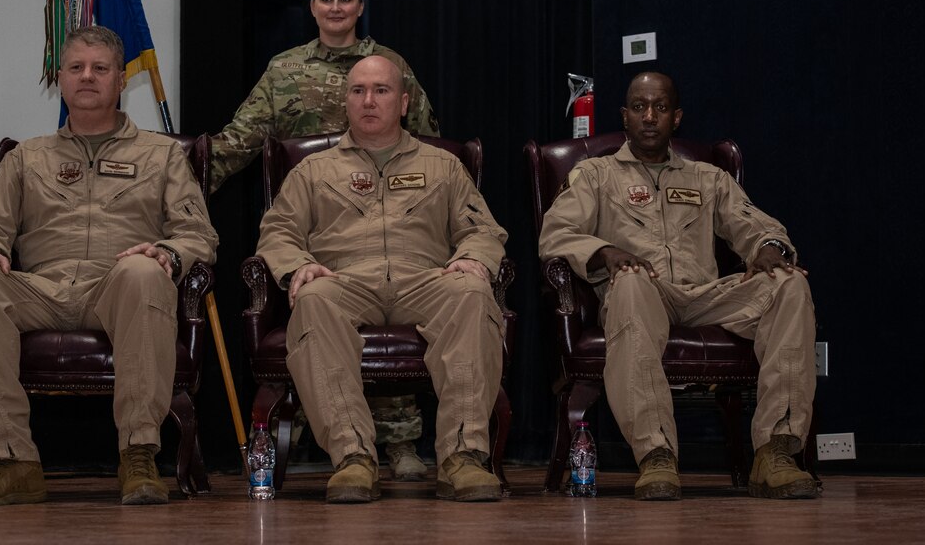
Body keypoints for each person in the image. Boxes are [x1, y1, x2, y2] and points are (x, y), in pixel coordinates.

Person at [0, 25, 219, 506]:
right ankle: (11, 461)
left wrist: (168, 254)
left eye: (100, 69)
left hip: (118, 286)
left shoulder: (163, 156)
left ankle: (138, 457)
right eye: (76, 68)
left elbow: (199, 235)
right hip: (41, 290)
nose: (87, 77)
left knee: (144, 270)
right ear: (60, 79)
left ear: (119, 80)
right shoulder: (27, 158)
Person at [539, 71, 818, 501]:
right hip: (642, 292)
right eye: (639, 107)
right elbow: (556, 233)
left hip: (704, 296)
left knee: (789, 285)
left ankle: (776, 452)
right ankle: (656, 456)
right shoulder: (595, 175)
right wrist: (603, 252)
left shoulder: (709, 178)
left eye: (661, 107)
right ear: (625, 117)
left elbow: (755, 225)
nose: (649, 116)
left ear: (677, 117)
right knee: (631, 282)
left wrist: (768, 246)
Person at [211, 0, 436, 480]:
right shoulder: (283, 69)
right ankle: (342, 444)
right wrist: (180, 175)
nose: (336, 8)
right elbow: (241, 139)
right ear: (312, 8)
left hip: (390, 213)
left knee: (395, 283)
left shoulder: (391, 64)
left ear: (360, 7)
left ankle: (399, 444)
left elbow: (429, 140)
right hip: (319, 220)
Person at [257, 55, 508, 503]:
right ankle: (353, 457)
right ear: (345, 101)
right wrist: (298, 266)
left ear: (404, 101)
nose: (368, 100)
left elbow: (482, 229)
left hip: (425, 278)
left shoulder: (444, 166)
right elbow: (277, 232)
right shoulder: (313, 170)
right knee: (313, 299)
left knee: (472, 291)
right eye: (358, 91)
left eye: (381, 90)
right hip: (345, 278)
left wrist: (473, 258)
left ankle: (463, 457)